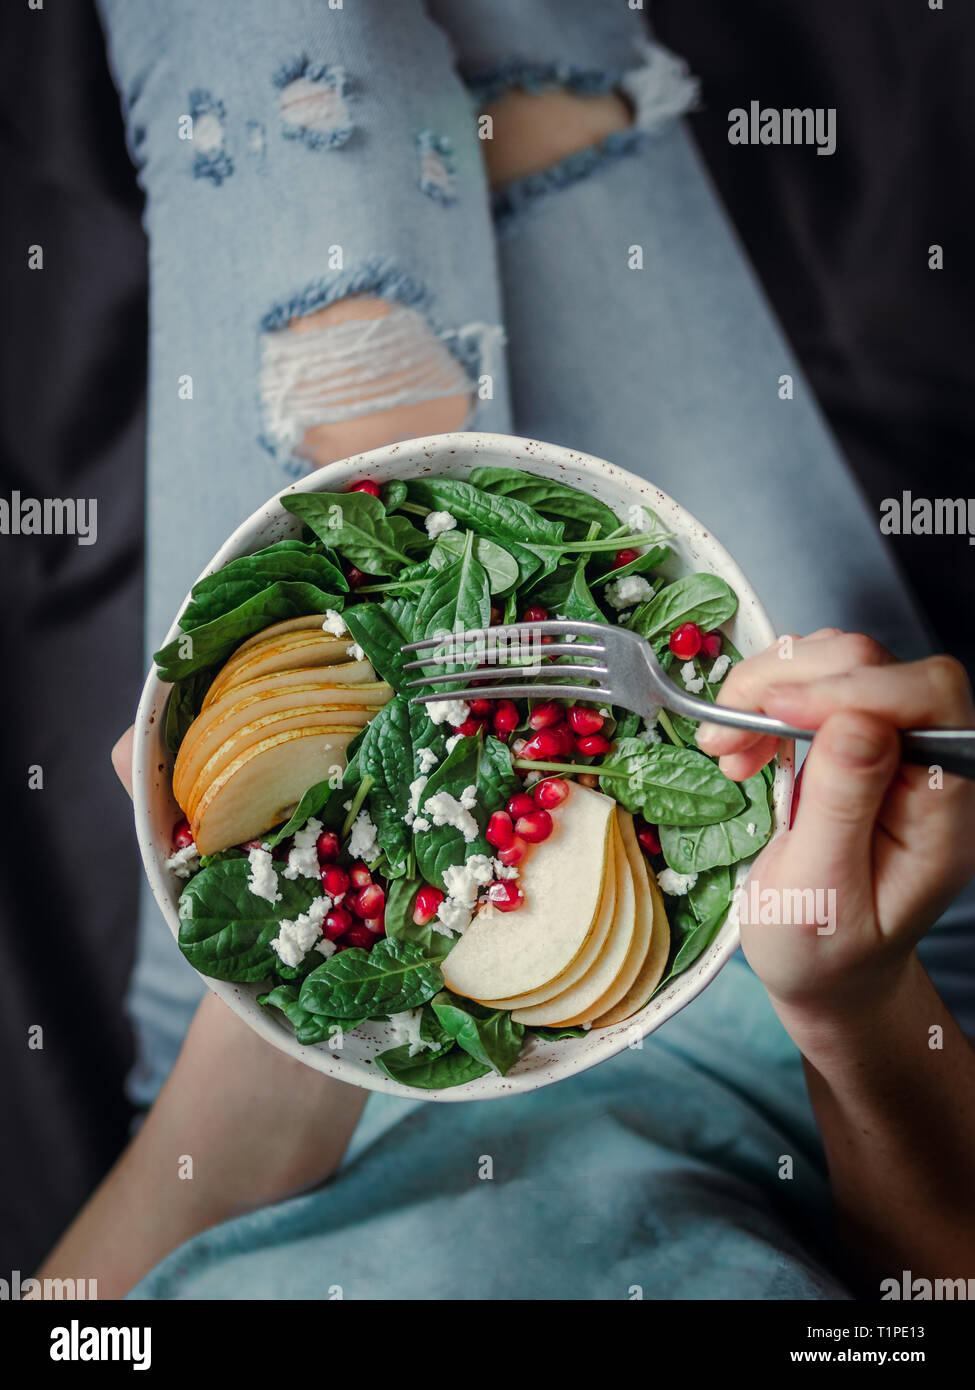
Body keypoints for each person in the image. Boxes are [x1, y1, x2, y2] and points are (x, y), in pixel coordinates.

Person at [34, 0, 975, 1297]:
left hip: (262, 1097)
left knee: (305, 61)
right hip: (810, 1000)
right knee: (531, 56)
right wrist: (856, 1007)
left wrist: (274, 1041)